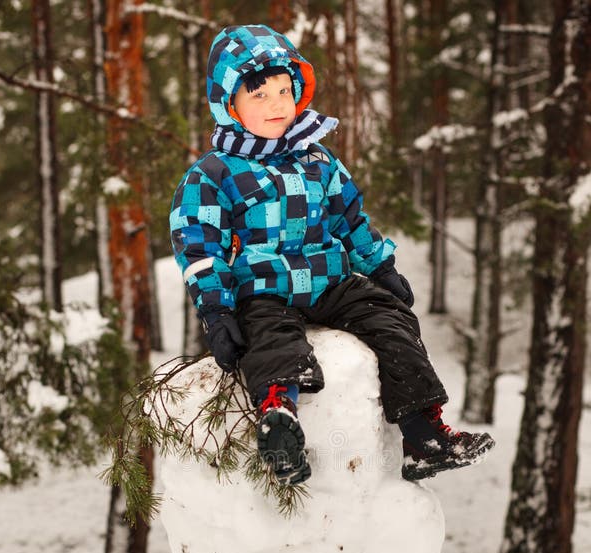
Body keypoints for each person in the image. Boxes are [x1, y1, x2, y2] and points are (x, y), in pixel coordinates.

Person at [170, 23, 494, 485]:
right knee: (270, 338)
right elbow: (200, 249)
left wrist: (379, 265)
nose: (277, 105)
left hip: (328, 281)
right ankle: (279, 422)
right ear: (229, 104)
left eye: (285, 91)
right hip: (262, 287)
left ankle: (424, 435)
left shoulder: (317, 160)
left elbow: (350, 218)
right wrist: (216, 311)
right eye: (260, 95)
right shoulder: (213, 174)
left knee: (390, 319)